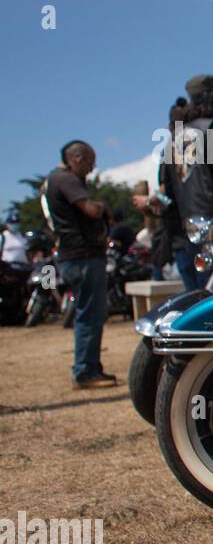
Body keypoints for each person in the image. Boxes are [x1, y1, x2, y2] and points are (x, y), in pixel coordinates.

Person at [135, 75, 213, 290]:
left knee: (196, 305)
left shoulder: (174, 137)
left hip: (184, 235)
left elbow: (167, 190)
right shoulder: (212, 128)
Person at [44, 141, 115, 388]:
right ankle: (85, 371)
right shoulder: (66, 180)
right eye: (90, 162)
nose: (92, 168)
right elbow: (91, 210)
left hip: (72, 254)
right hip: (82, 255)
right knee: (90, 314)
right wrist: (102, 206)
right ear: (77, 158)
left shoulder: (54, 179)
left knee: (88, 313)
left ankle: (89, 367)